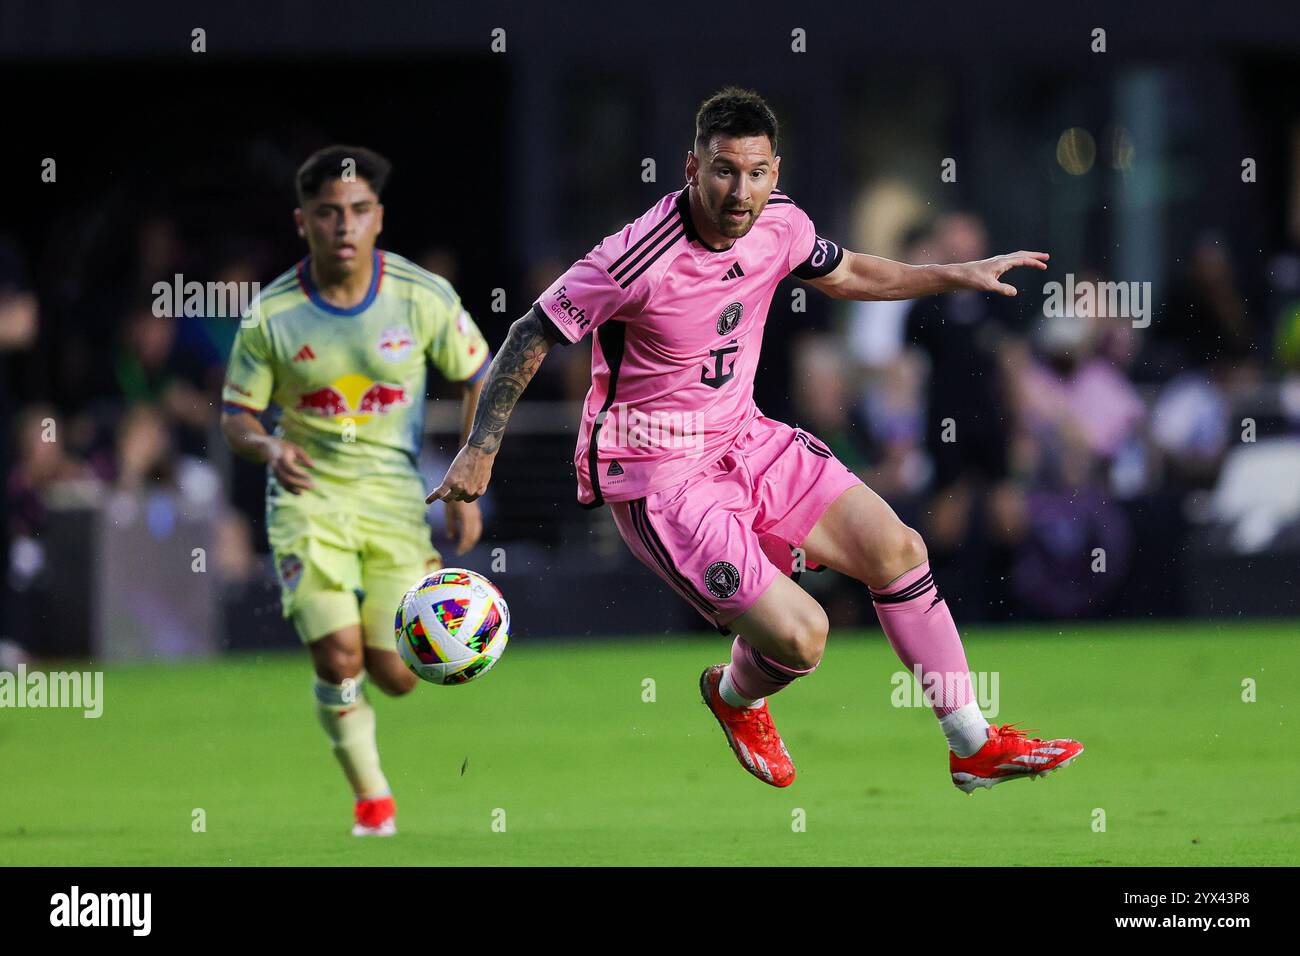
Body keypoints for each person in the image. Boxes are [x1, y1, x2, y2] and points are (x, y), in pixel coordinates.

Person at [430, 88, 1082, 792]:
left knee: (898, 549)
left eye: (757, 172)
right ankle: (734, 696)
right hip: (658, 473)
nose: (740, 192)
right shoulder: (632, 257)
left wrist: (952, 275)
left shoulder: (781, 224)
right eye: (723, 171)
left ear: (776, 170)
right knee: (802, 638)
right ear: (691, 167)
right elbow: (531, 332)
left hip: (746, 438)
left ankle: (971, 744)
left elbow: (853, 272)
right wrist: (480, 447)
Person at [220, 146, 490, 833]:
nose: (344, 226)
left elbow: (479, 374)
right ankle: (373, 800)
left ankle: (370, 704)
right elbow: (236, 418)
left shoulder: (420, 295)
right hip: (308, 501)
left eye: (359, 211)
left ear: (378, 218)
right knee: (338, 656)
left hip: (396, 502)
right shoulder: (272, 314)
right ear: (302, 221)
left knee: (398, 674)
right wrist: (268, 444)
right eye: (328, 213)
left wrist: (469, 473)